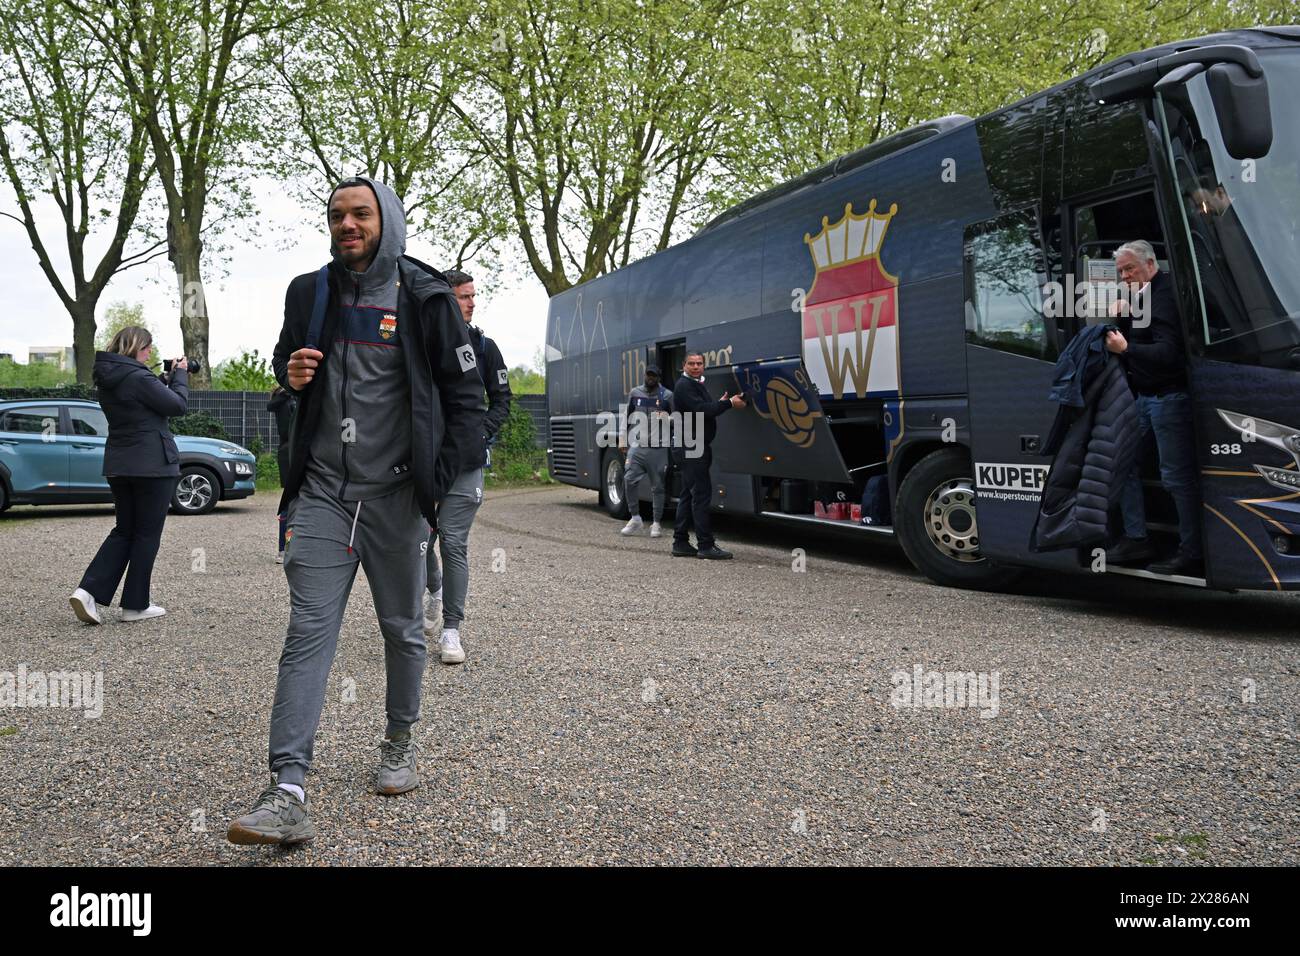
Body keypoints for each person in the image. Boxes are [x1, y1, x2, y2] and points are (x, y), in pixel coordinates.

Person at [226, 175, 484, 846]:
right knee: (307, 632)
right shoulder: (309, 292)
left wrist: (434, 488)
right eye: (338, 214)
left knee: (402, 629)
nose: (348, 224)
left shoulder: (426, 297)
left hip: (397, 500)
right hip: (322, 496)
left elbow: (467, 403)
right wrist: (290, 373)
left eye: (360, 213)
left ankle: (399, 741)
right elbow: (287, 362)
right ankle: (286, 790)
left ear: (386, 220)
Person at [69, 327, 188, 624]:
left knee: (124, 530)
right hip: (152, 466)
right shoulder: (139, 377)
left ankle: (87, 592)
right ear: (135, 346)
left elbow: (142, 403)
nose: (149, 353)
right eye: (147, 347)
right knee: (146, 534)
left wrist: (164, 380)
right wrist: (181, 375)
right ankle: (135, 605)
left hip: (120, 464)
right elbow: (177, 406)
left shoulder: (109, 379)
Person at [424, 268, 512, 665]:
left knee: (453, 541)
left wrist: (480, 433)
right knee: (420, 540)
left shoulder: (485, 347)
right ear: (445, 299)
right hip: (424, 461)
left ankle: (451, 630)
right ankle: (435, 590)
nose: (472, 302)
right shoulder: (421, 342)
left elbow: (502, 400)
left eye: (473, 295)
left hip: (467, 462)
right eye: (463, 296)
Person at [1104, 239, 1203, 575]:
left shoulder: (1165, 296)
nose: (1125, 276)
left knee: (1176, 477)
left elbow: (1168, 354)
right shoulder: (1143, 297)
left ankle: (1191, 552)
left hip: (1168, 399)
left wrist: (1126, 347)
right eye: (1120, 272)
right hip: (1143, 399)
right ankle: (1137, 538)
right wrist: (1128, 314)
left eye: (1130, 268)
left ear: (1150, 264)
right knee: (1124, 464)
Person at [671, 351, 745, 560]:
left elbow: (704, 408)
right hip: (692, 447)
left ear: (704, 366)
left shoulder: (695, 384)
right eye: (691, 364)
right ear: (683, 366)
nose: (695, 367)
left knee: (687, 494)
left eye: (699, 363)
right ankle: (705, 545)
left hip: (689, 446)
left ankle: (680, 541)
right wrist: (729, 403)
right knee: (701, 495)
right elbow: (702, 410)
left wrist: (719, 403)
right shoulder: (684, 385)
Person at [620, 363, 673, 537]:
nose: (650, 378)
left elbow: (679, 419)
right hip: (638, 445)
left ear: (659, 377)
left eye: (654, 376)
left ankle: (656, 524)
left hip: (659, 448)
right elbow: (626, 416)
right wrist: (622, 438)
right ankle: (635, 518)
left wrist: (667, 418)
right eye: (648, 375)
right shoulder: (635, 393)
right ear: (645, 375)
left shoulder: (667, 395)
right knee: (628, 479)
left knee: (657, 487)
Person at [267, 385, 297, 564]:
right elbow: (270, 406)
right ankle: (283, 548)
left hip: (301, 452)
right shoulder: (282, 398)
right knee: (289, 505)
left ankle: (292, 548)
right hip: (288, 454)